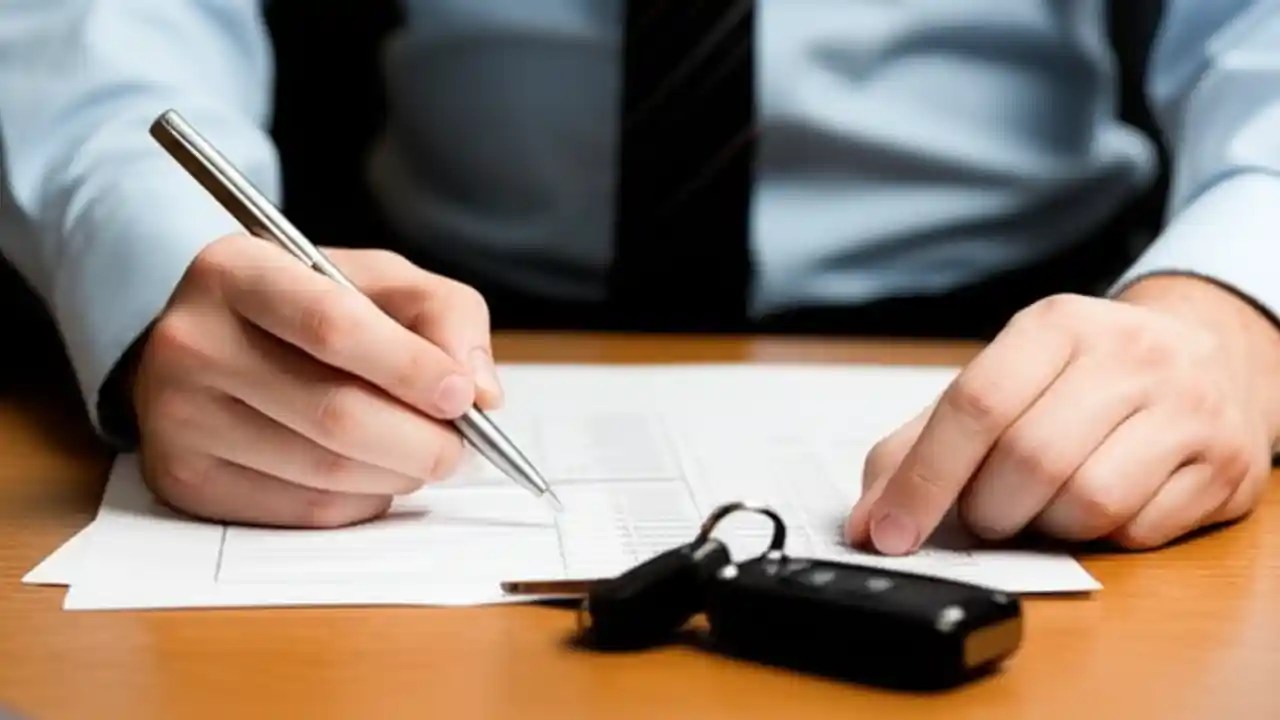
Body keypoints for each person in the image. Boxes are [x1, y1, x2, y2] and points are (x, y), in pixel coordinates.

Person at [0, 1, 1277, 556]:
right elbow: (106, 19)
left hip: (1035, 336)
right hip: (413, 323)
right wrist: (166, 253)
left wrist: (1232, 303)